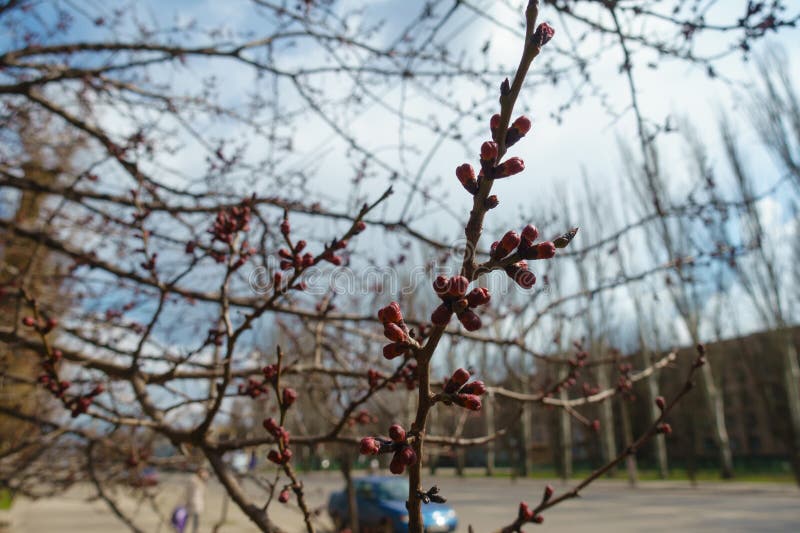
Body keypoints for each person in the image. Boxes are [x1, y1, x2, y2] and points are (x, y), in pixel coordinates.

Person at [184, 467, 209, 533]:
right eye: (202, 472)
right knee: (188, 518)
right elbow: (189, 491)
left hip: (197, 502)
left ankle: (194, 530)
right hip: (193, 501)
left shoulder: (200, 480)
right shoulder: (193, 480)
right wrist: (188, 500)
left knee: (195, 519)